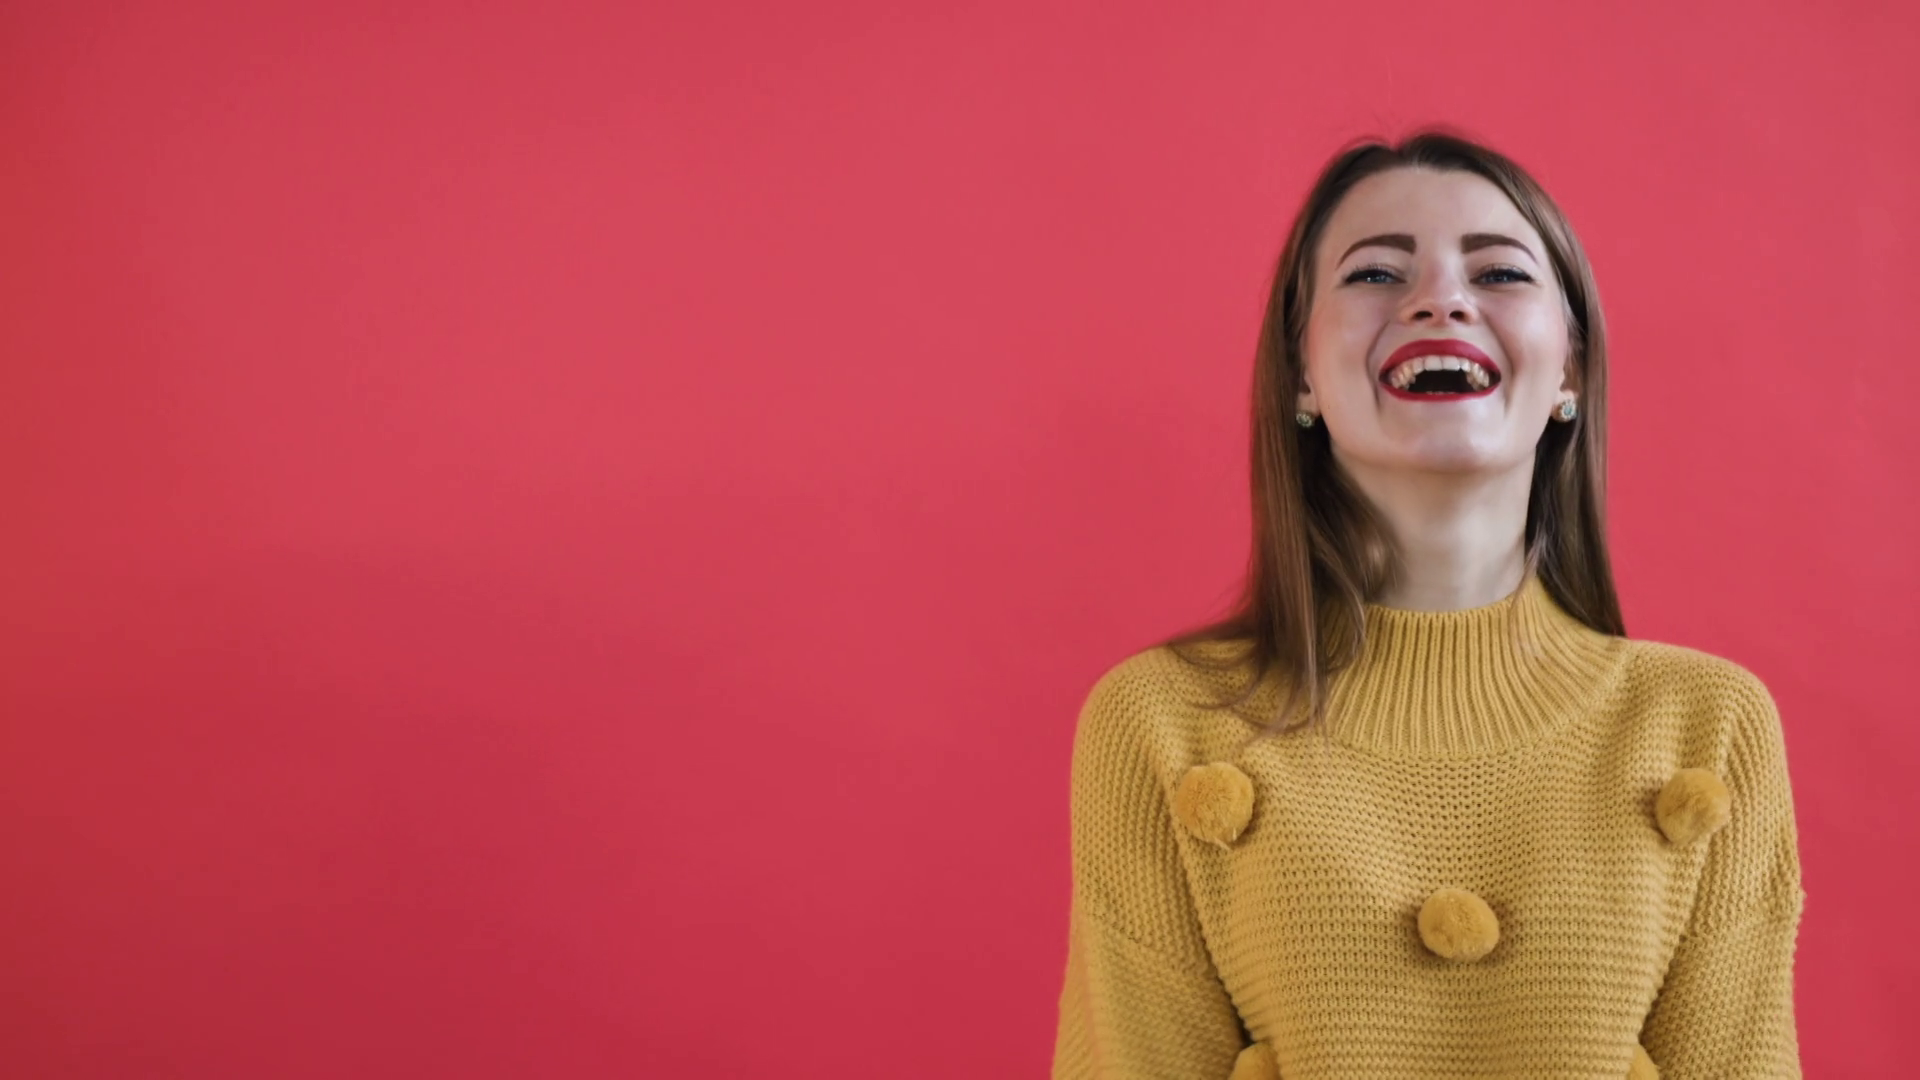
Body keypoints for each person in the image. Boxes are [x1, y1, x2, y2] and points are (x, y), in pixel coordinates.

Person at [1050, 131, 1806, 1079]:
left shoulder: (1709, 725)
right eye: (1375, 273)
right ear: (1301, 373)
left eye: (1499, 273)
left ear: (1569, 371)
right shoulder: (1162, 722)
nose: (1440, 300)